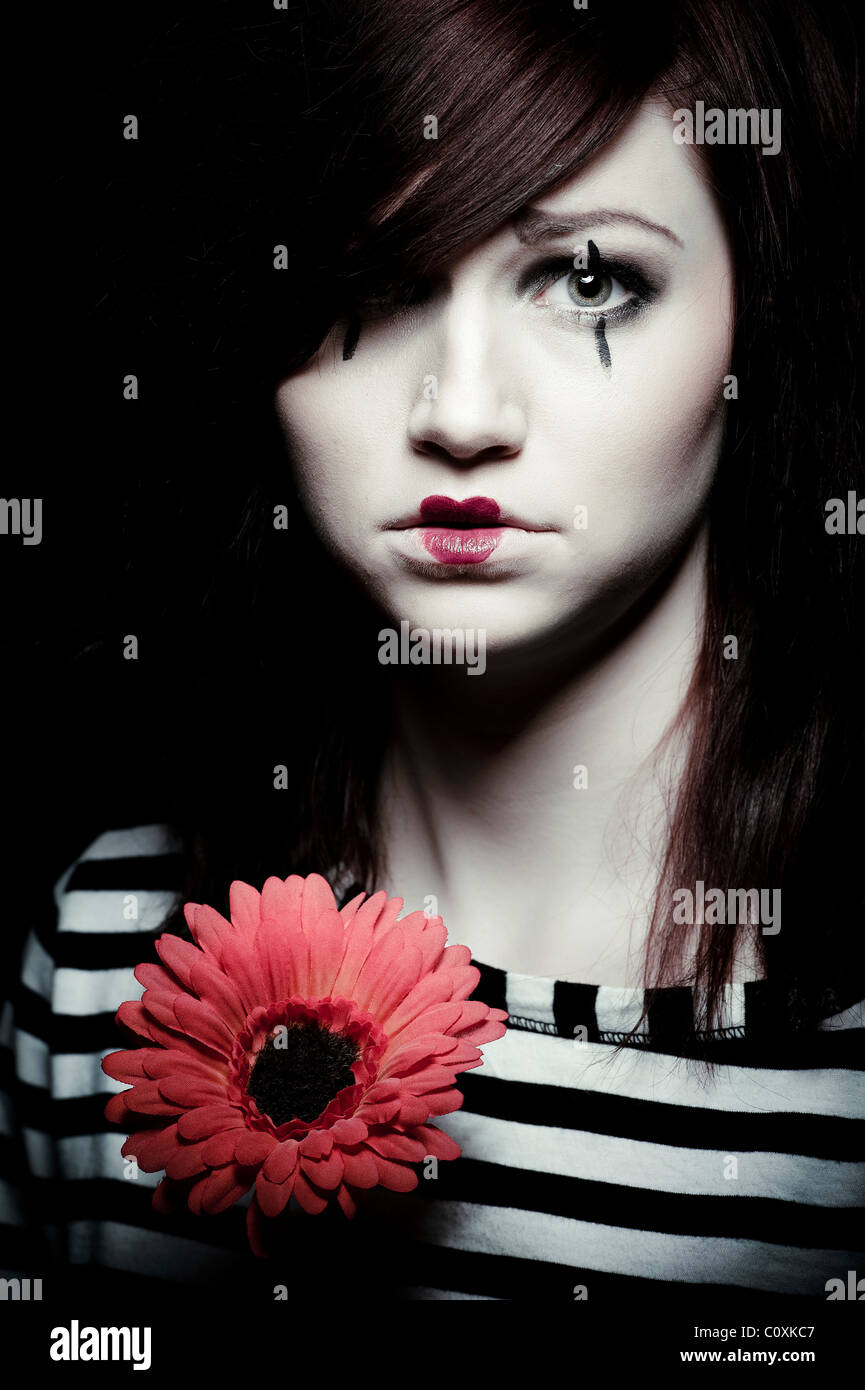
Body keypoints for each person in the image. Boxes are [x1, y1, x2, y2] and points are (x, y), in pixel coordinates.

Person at [2, 0, 862, 1303]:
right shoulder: (106, 949)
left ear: (757, 317)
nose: (460, 412)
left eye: (584, 277)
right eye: (373, 282)